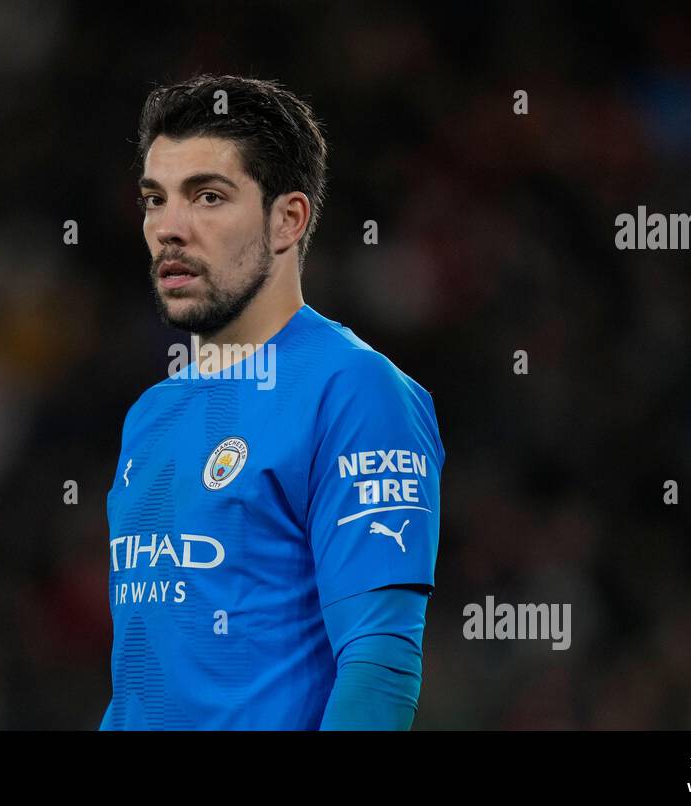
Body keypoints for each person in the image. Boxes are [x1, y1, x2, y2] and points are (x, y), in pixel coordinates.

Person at [100, 74, 444, 730]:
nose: (169, 228)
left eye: (207, 196)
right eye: (155, 200)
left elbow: (379, 662)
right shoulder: (149, 416)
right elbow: (143, 689)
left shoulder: (354, 389)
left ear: (287, 219)